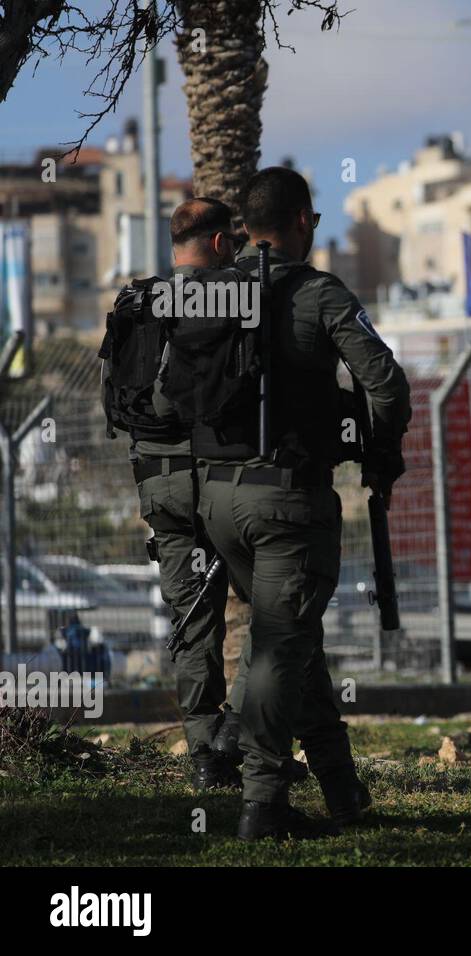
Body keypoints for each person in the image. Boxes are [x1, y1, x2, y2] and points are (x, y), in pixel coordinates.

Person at [171, 167, 410, 840]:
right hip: (287, 501)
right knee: (279, 648)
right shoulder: (316, 292)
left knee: (295, 641)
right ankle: (263, 802)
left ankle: (341, 791)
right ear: (303, 220)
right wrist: (379, 449)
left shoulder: (205, 293)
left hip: (215, 499)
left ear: (241, 228)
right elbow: (387, 385)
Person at [102, 197, 241, 790]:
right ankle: (247, 736)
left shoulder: (137, 304)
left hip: (158, 487)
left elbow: (117, 401)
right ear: (217, 244)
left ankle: (207, 752)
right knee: (271, 613)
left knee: (191, 620)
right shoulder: (227, 302)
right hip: (223, 481)